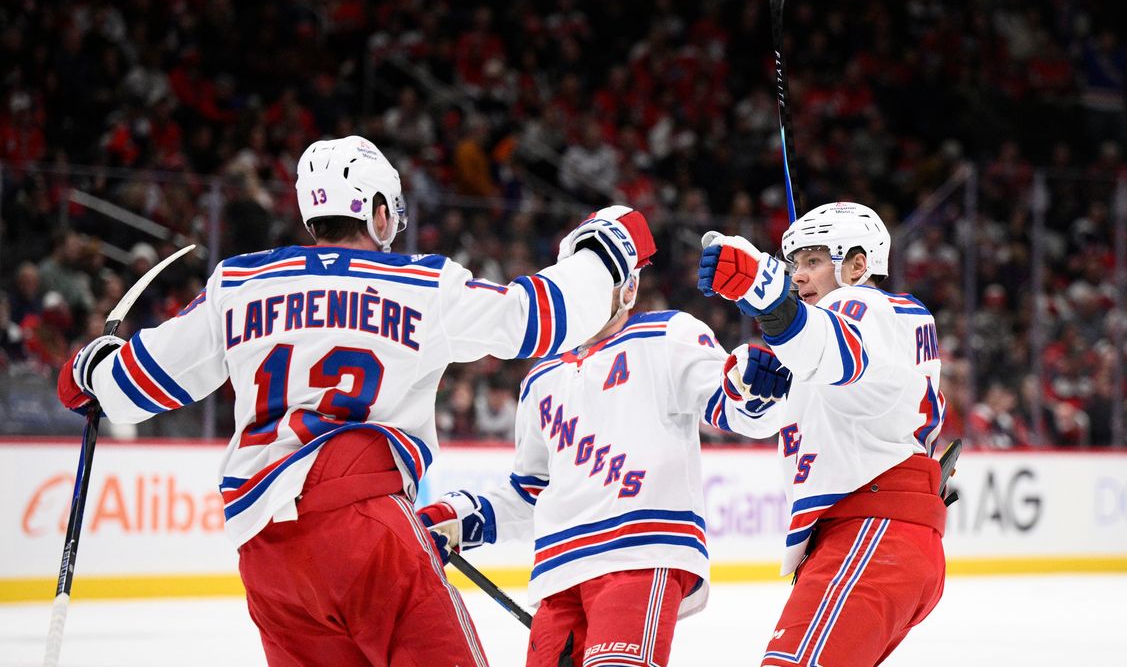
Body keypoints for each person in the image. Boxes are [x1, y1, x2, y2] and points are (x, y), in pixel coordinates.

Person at [56, 135, 656, 667]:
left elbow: (133, 388)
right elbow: (537, 320)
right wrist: (606, 253)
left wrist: (89, 369)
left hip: (267, 550)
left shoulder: (239, 284)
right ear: (375, 210)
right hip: (368, 526)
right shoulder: (420, 286)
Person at [416, 249, 791, 667]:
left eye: (612, 278)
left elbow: (737, 408)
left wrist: (754, 388)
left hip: (640, 554)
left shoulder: (667, 336)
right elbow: (529, 494)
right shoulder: (541, 379)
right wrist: (460, 518)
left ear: (630, 288)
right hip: (558, 577)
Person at [697, 201, 947, 667]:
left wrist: (765, 294)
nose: (798, 275)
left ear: (858, 265)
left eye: (813, 261)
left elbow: (827, 344)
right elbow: (758, 418)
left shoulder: (863, 303)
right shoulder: (859, 335)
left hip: (872, 528)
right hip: (878, 534)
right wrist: (754, 386)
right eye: (792, 264)